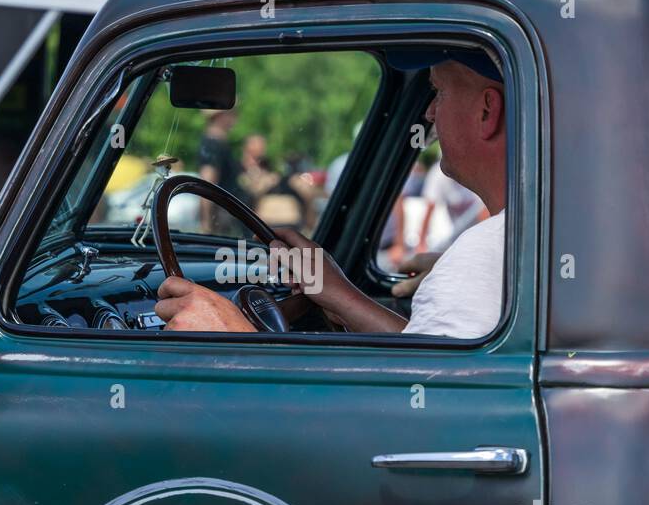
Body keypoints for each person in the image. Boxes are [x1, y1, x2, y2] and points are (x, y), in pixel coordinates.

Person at [156, 48, 507, 339]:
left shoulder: (477, 262)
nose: (429, 112)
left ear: (487, 111)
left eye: (439, 92)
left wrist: (234, 336)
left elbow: (412, 415)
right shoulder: (516, 247)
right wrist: (339, 293)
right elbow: (422, 360)